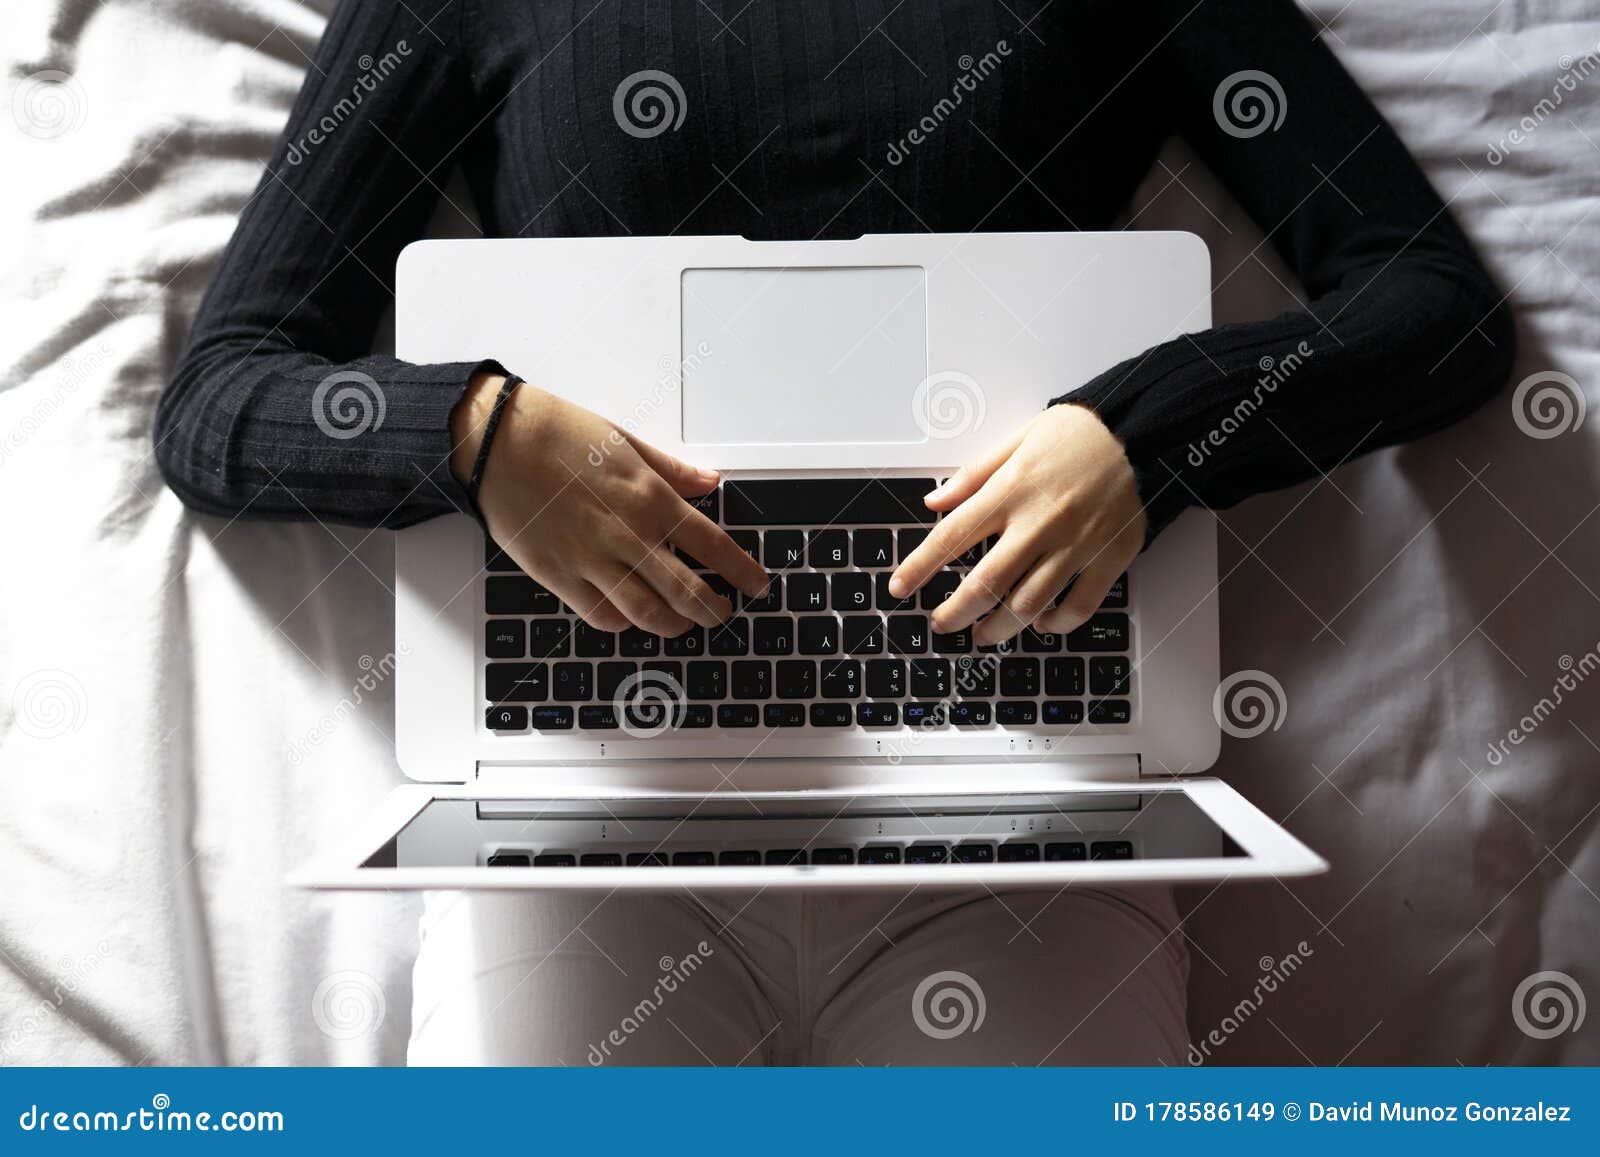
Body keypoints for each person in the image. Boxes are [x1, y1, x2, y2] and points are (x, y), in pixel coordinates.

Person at [154, 0, 1514, 1064]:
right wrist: (477, 437)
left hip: (1026, 817)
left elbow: (1434, 305)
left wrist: (1147, 438)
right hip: (584, 826)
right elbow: (220, 398)